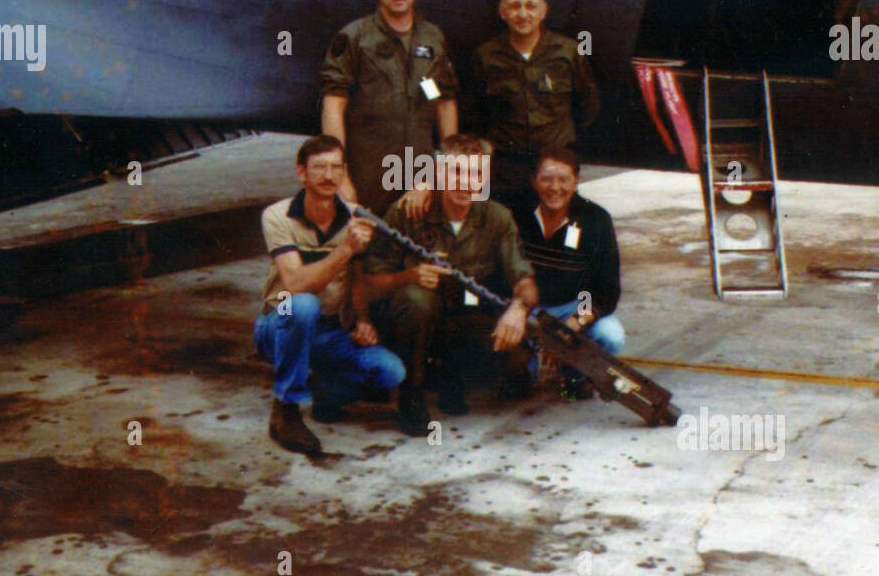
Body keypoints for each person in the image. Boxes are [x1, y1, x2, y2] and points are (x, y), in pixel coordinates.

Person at [356, 134, 539, 436]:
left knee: (517, 366)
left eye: (476, 174)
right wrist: (408, 277)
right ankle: (410, 394)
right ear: (439, 172)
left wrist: (519, 309)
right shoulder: (406, 213)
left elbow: (524, 278)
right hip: (413, 323)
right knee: (418, 299)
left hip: (464, 322)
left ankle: (448, 374)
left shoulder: (497, 218)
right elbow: (372, 284)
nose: (466, 182)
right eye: (457, 172)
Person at [255, 135, 406, 455]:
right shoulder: (277, 216)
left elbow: (358, 279)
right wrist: (345, 249)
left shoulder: (356, 215)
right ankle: (286, 410)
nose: (328, 176)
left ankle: (325, 390)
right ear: (301, 173)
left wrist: (362, 320)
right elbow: (295, 283)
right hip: (279, 320)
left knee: (390, 370)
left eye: (336, 168)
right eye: (319, 168)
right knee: (302, 305)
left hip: (329, 327)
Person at [320, 0, 459, 215]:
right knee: (365, 248)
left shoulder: (433, 38)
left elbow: (445, 103)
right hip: (369, 175)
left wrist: (444, 170)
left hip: (418, 175)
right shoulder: (354, 38)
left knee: (420, 250)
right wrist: (339, 174)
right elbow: (333, 106)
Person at [467, 0, 600, 204]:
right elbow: (474, 111)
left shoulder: (569, 52)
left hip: (554, 166)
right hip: (506, 169)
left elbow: (588, 105)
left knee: (552, 233)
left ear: (544, 11)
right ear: (502, 12)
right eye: (515, 6)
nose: (523, 13)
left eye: (531, 6)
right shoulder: (485, 56)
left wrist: (563, 143)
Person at [512, 147, 625, 399]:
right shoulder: (517, 215)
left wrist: (575, 322)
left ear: (576, 181)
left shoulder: (596, 220)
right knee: (517, 382)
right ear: (533, 181)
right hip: (528, 307)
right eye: (546, 179)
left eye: (563, 179)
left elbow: (605, 289)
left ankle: (573, 373)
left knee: (611, 336)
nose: (555, 188)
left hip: (572, 305)